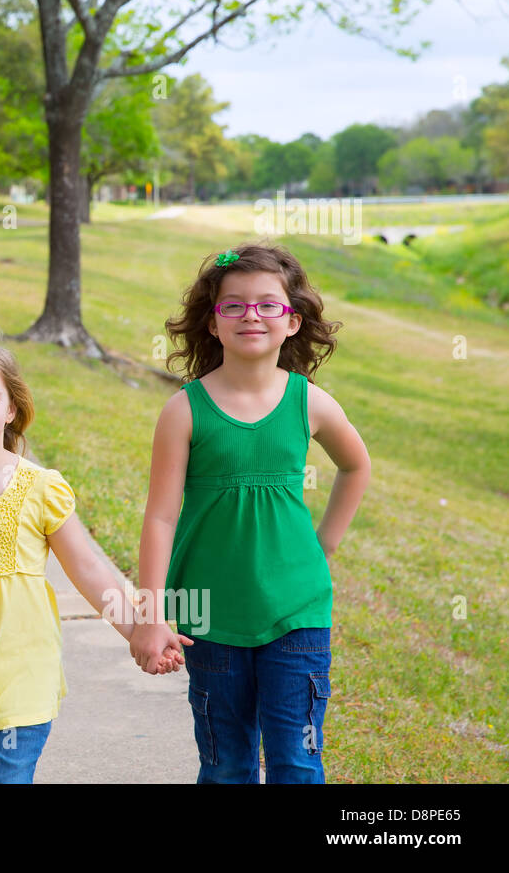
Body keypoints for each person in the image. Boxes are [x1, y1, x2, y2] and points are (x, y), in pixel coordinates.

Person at [0, 334, 181, 784]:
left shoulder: (40, 488)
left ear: (12, 409)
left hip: (21, 679)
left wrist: (140, 629)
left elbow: (88, 569)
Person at [132, 244, 370, 784]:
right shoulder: (184, 410)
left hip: (297, 613)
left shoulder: (309, 402)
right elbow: (160, 518)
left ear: (293, 321)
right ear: (212, 324)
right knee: (225, 766)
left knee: (297, 764)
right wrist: (150, 615)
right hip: (209, 617)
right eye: (233, 306)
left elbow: (356, 468)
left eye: (268, 305)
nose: (251, 316)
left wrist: (323, 546)